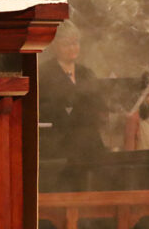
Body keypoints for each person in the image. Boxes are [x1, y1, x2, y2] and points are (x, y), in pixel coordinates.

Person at [38, 21, 106, 160]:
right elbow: (43, 110)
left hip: (90, 144)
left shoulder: (86, 73)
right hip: (60, 146)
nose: (73, 48)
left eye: (75, 43)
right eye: (66, 44)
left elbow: (99, 105)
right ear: (54, 46)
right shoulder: (43, 73)